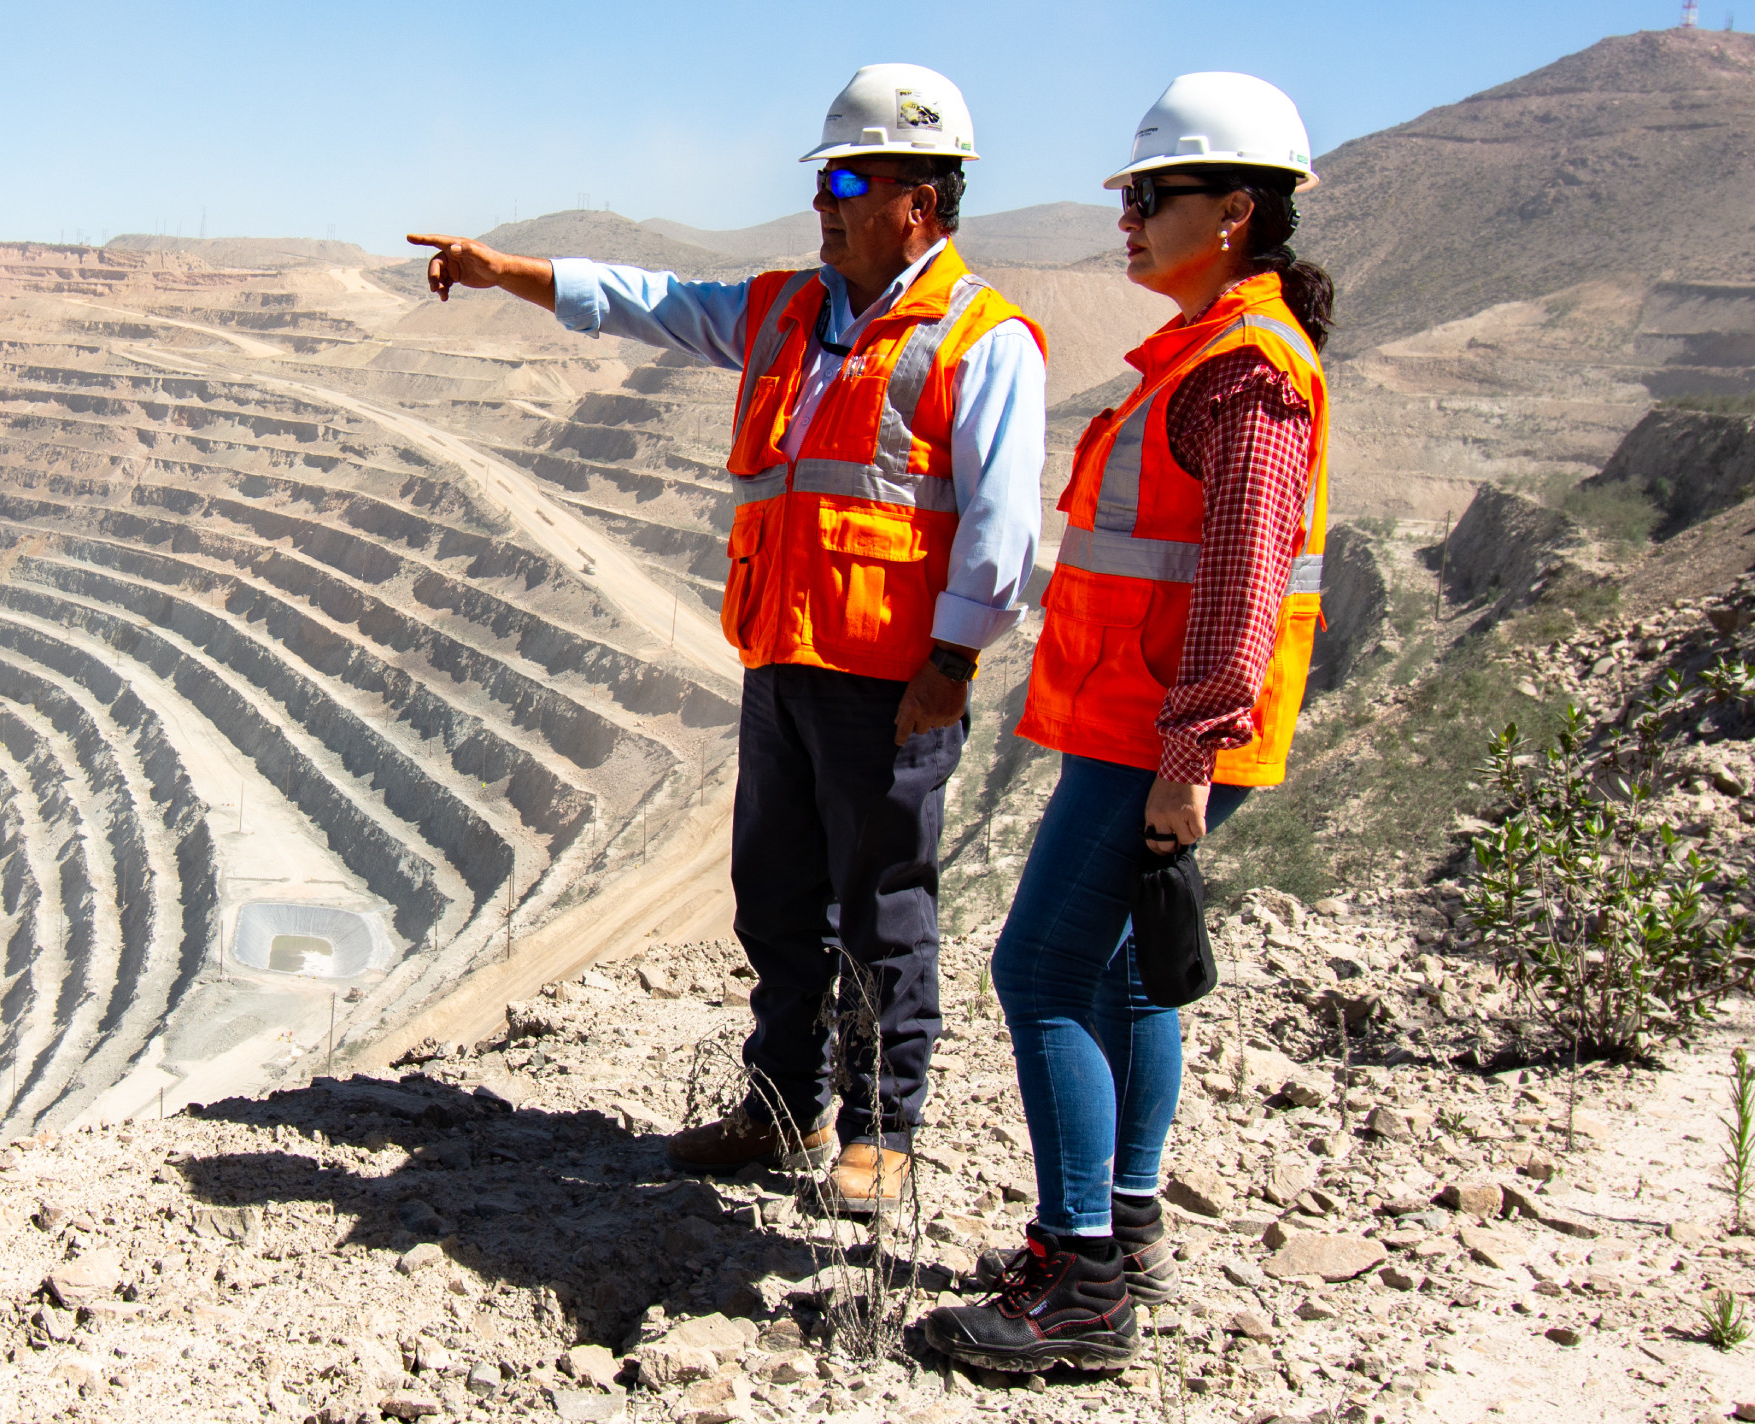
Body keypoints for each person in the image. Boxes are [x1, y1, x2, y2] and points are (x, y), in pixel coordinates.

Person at [408, 64, 1048, 1213]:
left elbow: (1002, 524)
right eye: (822, 181)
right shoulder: (789, 313)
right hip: (785, 656)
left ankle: (883, 1127)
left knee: (883, 907)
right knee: (776, 892)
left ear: (922, 199)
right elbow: (651, 299)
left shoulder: (983, 339)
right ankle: (786, 1104)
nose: (825, 202)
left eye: (850, 178)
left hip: (889, 682)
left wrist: (951, 662)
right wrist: (508, 273)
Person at [917, 71, 1337, 1372]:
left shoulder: (1246, 373)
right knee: (1113, 970)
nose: (1128, 220)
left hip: (1158, 732)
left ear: (1230, 213)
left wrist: (1190, 753)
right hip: (1133, 723)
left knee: (1037, 971)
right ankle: (1123, 1225)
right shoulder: (1209, 354)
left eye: (1151, 197)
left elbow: (1241, 575)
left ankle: (1080, 1282)